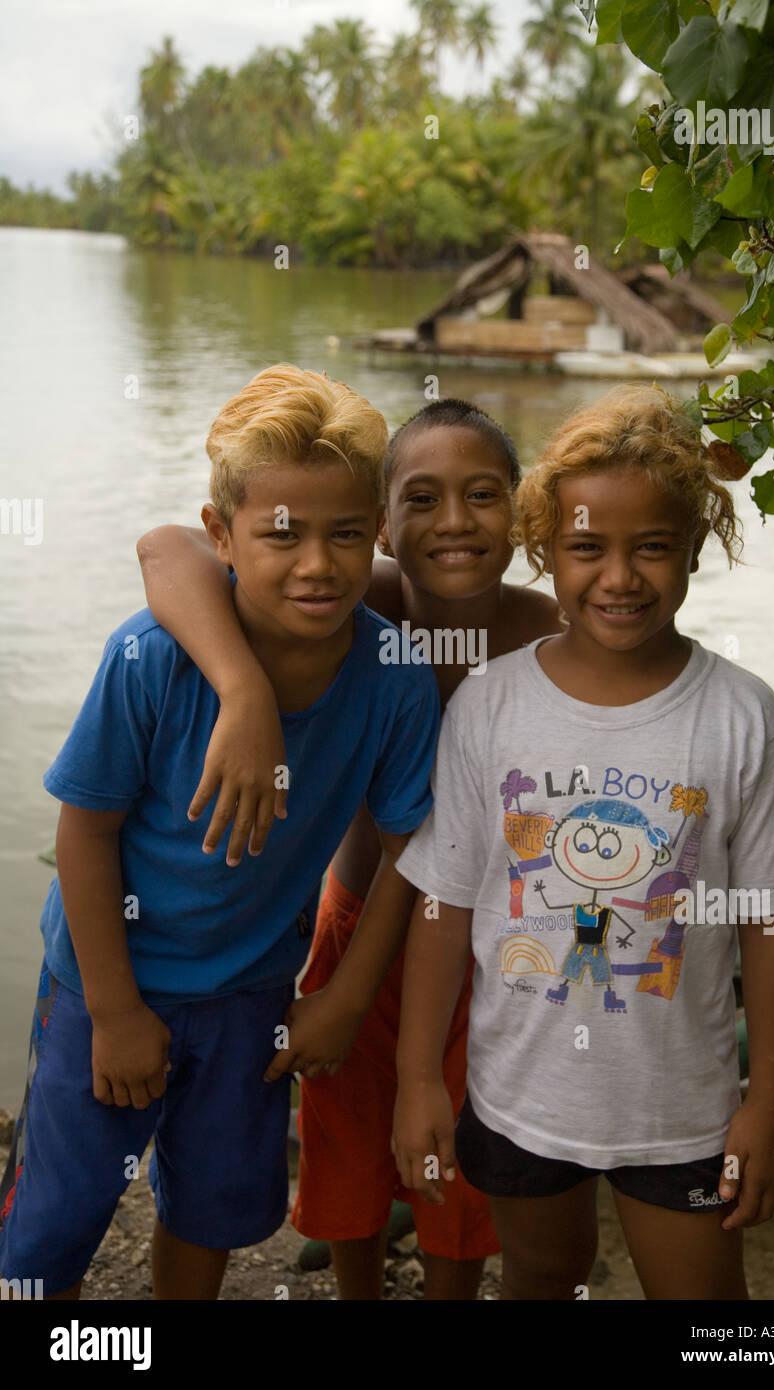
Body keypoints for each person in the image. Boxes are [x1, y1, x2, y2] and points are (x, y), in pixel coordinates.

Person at [391, 384, 774, 1301]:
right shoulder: (491, 704)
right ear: (544, 549)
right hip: (517, 1094)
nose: (619, 577)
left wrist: (770, 1103)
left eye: (653, 547)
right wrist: (420, 1083)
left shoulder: (741, 716)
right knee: (545, 1272)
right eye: (586, 548)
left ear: (696, 547)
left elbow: (771, 925)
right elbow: (443, 911)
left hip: (679, 1108)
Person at [0, 364, 439, 1301]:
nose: (317, 562)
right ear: (222, 535)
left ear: (381, 536)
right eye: (281, 533)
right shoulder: (151, 661)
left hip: (251, 990)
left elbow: (413, 846)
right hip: (106, 977)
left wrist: (347, 997)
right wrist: (117, 1013)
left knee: (213, 1206)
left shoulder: (393, 675)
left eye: (346, 534)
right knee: (53, 1223)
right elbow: (85, 836)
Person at [135, 397, 563, 1300]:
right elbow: (168, 549)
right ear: (383, 525)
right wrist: (242, 689)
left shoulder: (546, 634)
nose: (452, 521)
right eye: (421, 498)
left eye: (482, 494)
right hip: (360, 922)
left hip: (495, 943)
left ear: (521, 516)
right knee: (347, 1138)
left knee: (463, 1150)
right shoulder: (354, 599)